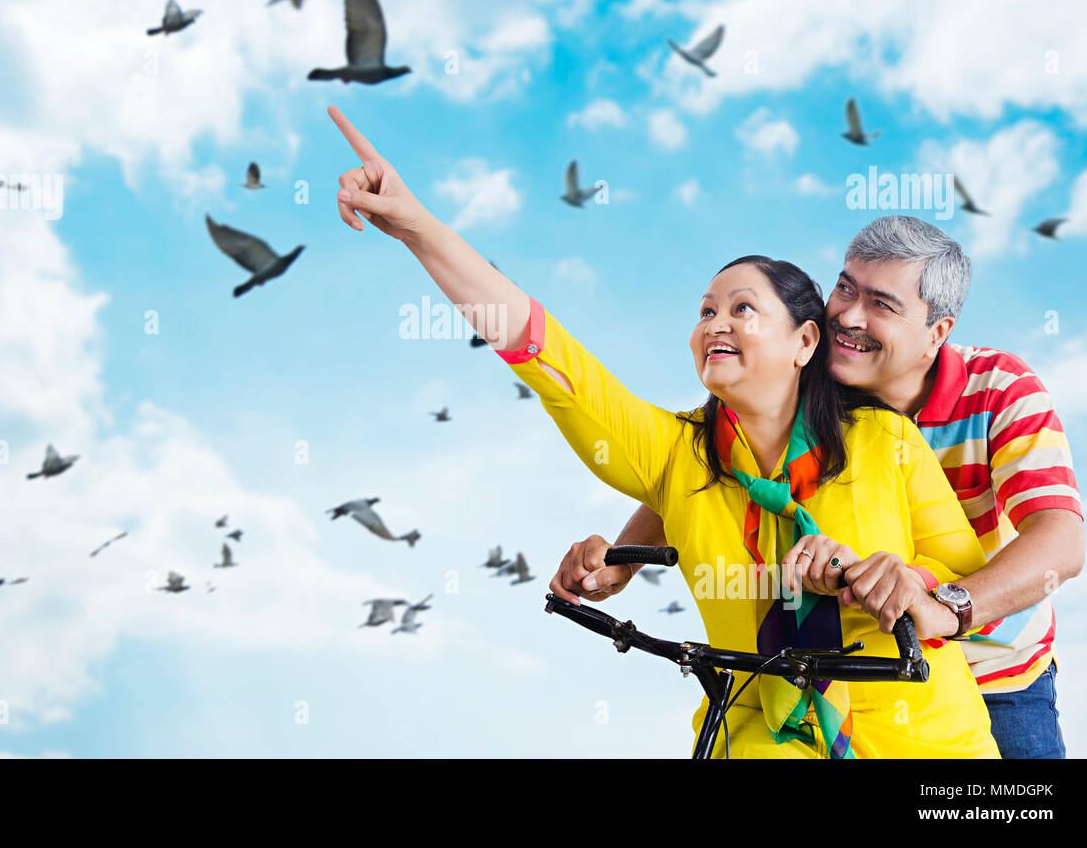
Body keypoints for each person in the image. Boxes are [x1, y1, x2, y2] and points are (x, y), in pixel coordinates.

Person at [327, 107, 998, 758]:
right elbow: (544, 350)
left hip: (930, 745)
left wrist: (881, 577)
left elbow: (964, 577)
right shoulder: (677, 455)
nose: (716, 323)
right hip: (758, 737)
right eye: (706, 310)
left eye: (742, 308)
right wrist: (418, 227)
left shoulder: (887, 441)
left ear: (804, 341)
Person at [573, 216, 1084, 758]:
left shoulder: (999, 389)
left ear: (937, 332)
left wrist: (948, 606)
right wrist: (628, 557)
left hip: (998, 669)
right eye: (845, 287)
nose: (848, 316)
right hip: (856, 668)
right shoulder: (816, 373)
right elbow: (713, 457)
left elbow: (1060, 541)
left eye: (882, 304)